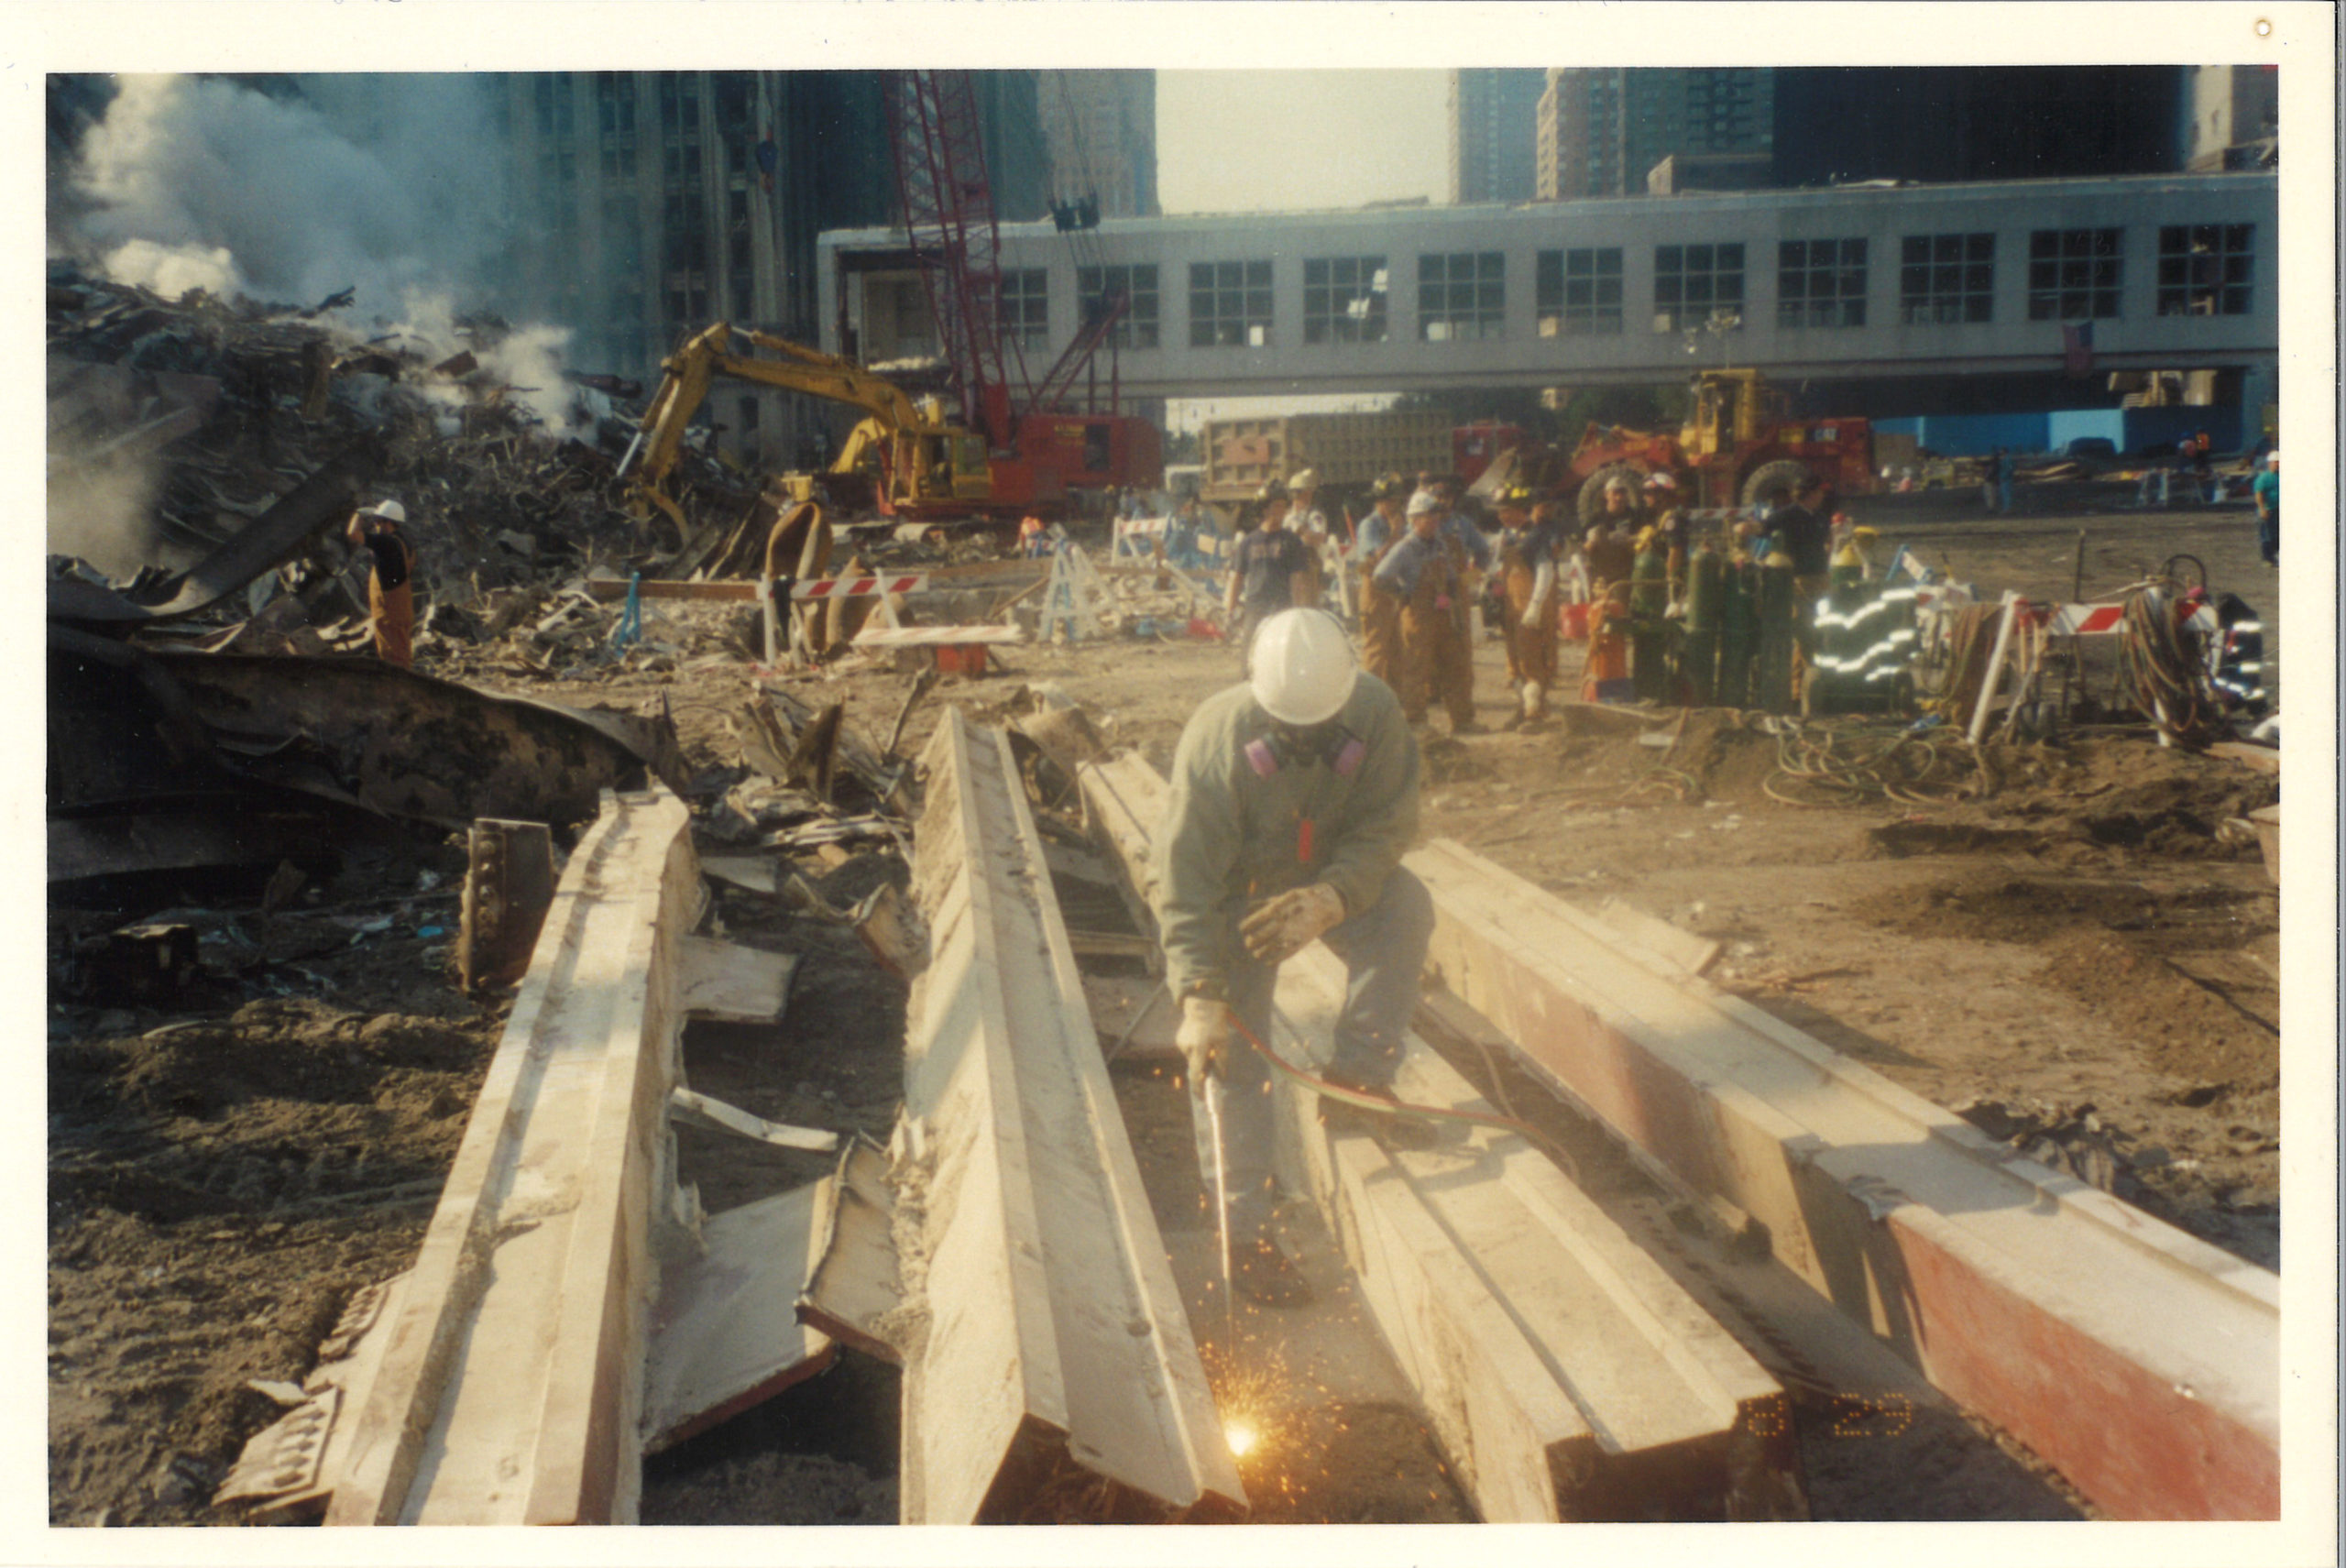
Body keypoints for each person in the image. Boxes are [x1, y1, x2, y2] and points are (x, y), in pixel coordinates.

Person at [1159, 608, 1435, 1307]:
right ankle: (1244, 1230)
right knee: (1232, 1059)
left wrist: (1335, 897)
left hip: (1328, 878)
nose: (1307, 742)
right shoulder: (1217, 743)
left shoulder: (1373, 714)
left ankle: (1358, 1082)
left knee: (1404, 907)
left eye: (1320, 729)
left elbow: (1389, 824)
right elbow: (1187, 883)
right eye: (1290, 730)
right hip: (1241, 904)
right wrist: (1200, 994)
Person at [1374, 490, 1480, 734]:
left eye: (1435, 517)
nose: (1434, 521)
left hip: (1444, 615)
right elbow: (1380, 576)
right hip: (1418, 617)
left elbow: (1451, 576)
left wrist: (1454, 600)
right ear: (1414, 520)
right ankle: (1416, 721)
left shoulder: (1440, 544)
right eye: (1428, 517)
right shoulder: (1405, 548)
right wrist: (1402, 594)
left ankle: (1463, 720)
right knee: (1416, 668)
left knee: (1455, 666)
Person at [1224, 478, 1314, 663]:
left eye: (1283, 507)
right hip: (1255, 607)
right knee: (1250, 655)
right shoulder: (1248, 542)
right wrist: (1229, 612)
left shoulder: (1291, 541)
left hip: (1282, 607)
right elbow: (1236, 578)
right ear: (1264, 509)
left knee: (1282, 655)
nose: (1281, 511)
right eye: (1276, 506)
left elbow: (1297, 580)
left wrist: (1300, 611)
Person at [1494, 487, 1563, 724]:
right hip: (1512, 608)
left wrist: (1535, 606)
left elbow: (1546, 571)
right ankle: (1524, 708)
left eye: (1507, 510)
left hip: (1529, 609)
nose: (1502, 516)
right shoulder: (1509, 537)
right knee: (1516, 664)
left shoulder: (1534, 536)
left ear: (1521, 510)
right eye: (1500, 511)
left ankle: (1534, 713)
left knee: (1532, 662)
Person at [1349, 473, 1409, 687]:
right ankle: (1369, 695)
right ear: (1380, 501)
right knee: (1376, 647)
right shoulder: (1370, 525)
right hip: (1375, 590)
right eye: (1390, 501)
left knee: (1398, 649)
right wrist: (1395, 534)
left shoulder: (1402, 523)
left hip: (1396, 589)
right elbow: (1376, 558)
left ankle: (1396, 697)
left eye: (1397, 502)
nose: (1394, 506)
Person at [345, 499, 416, 667]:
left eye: (377, 520)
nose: (375, 525)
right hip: (402, 604)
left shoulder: (386, 542)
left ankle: (399, 682)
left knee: (393, 654)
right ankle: (403, 678)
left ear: (387, 522)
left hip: (389, 606)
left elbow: (353, 534)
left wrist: (358, 515)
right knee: (401, 649)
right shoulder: (404, 541)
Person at [2252, 449, 2278, 565]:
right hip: (2268, 509)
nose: (2278, 464)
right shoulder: (2264, 478)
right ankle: (2267, 558)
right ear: (2270, 463)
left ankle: (2276, 556)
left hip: (2278, 509)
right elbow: (2259, 494)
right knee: (2267, 535)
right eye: (2276, 462)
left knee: (2278, 534)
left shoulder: (2280, 476)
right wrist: (2262, 509)